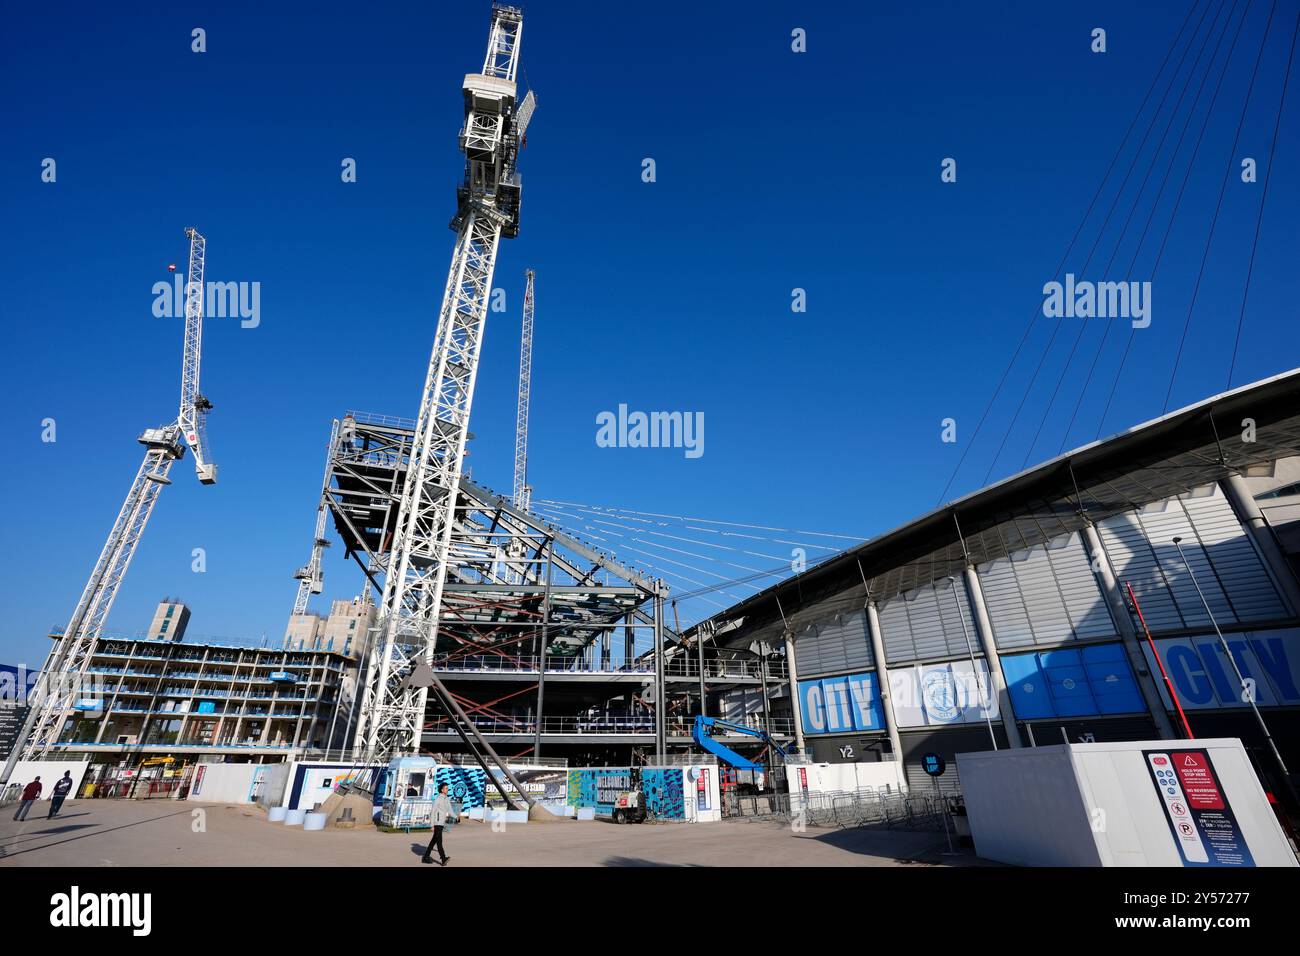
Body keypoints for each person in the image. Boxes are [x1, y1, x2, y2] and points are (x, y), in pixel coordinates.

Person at [422, 782, 457, 866]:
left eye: (447, 788)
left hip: (441, 823)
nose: (447, 789)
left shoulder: (446, 799)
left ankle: (426, 857)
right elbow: (433, 812)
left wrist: (456, 817)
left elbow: (450, 810)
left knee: (434, 840)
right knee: (439, 841)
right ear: (441, 790)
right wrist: (432, 825)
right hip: (437, 823)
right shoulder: (438, 799)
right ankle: (443, 858)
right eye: (445, 788)